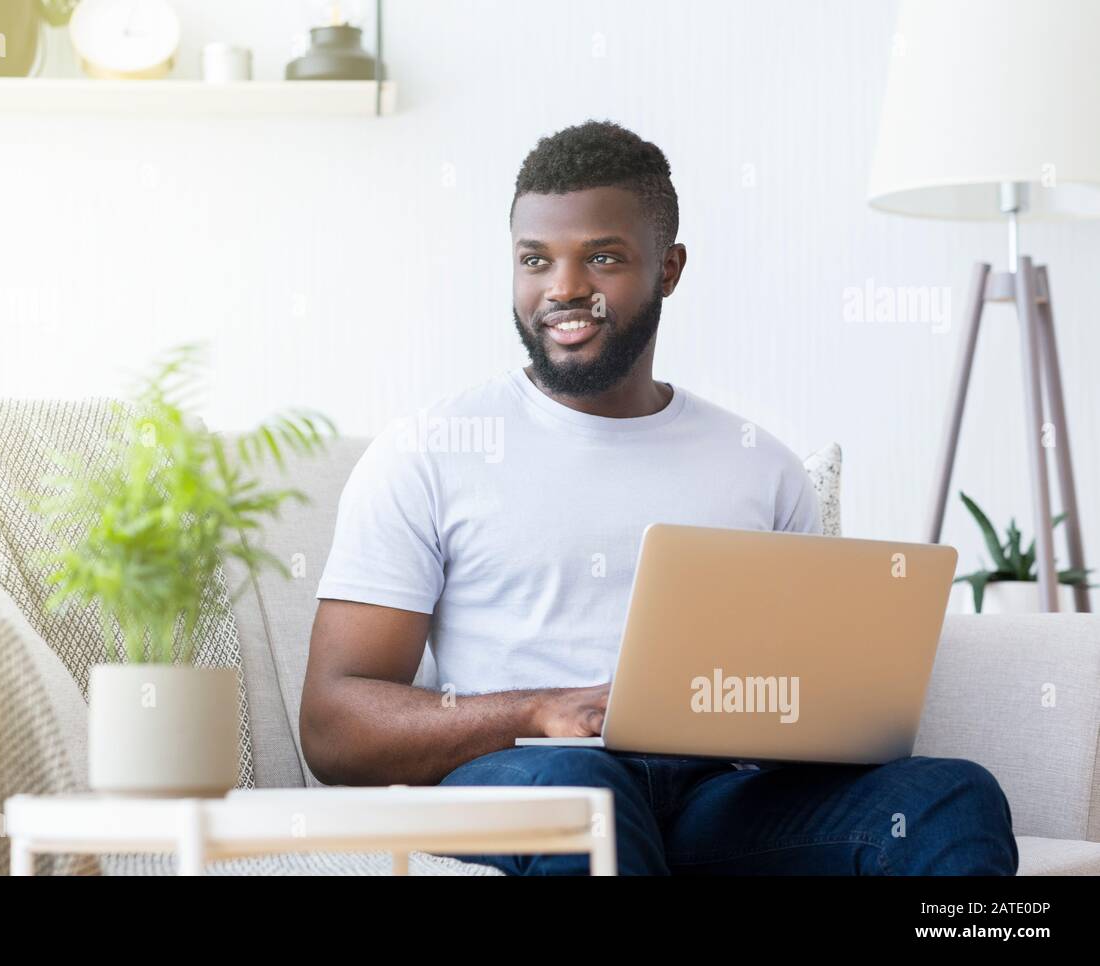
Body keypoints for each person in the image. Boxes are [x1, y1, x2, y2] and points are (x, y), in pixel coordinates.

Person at [298, 119, 1018, 875]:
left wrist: (795, 720)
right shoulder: (429, 453)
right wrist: (535, 712)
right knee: (584, 793)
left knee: (952, 795)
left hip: (721, 799)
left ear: (668, 269)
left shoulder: (762, 470)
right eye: (535, 260)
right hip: (531, 774)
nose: (564, 288)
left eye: (602, 257)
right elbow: (333, 725)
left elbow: (815, 698)